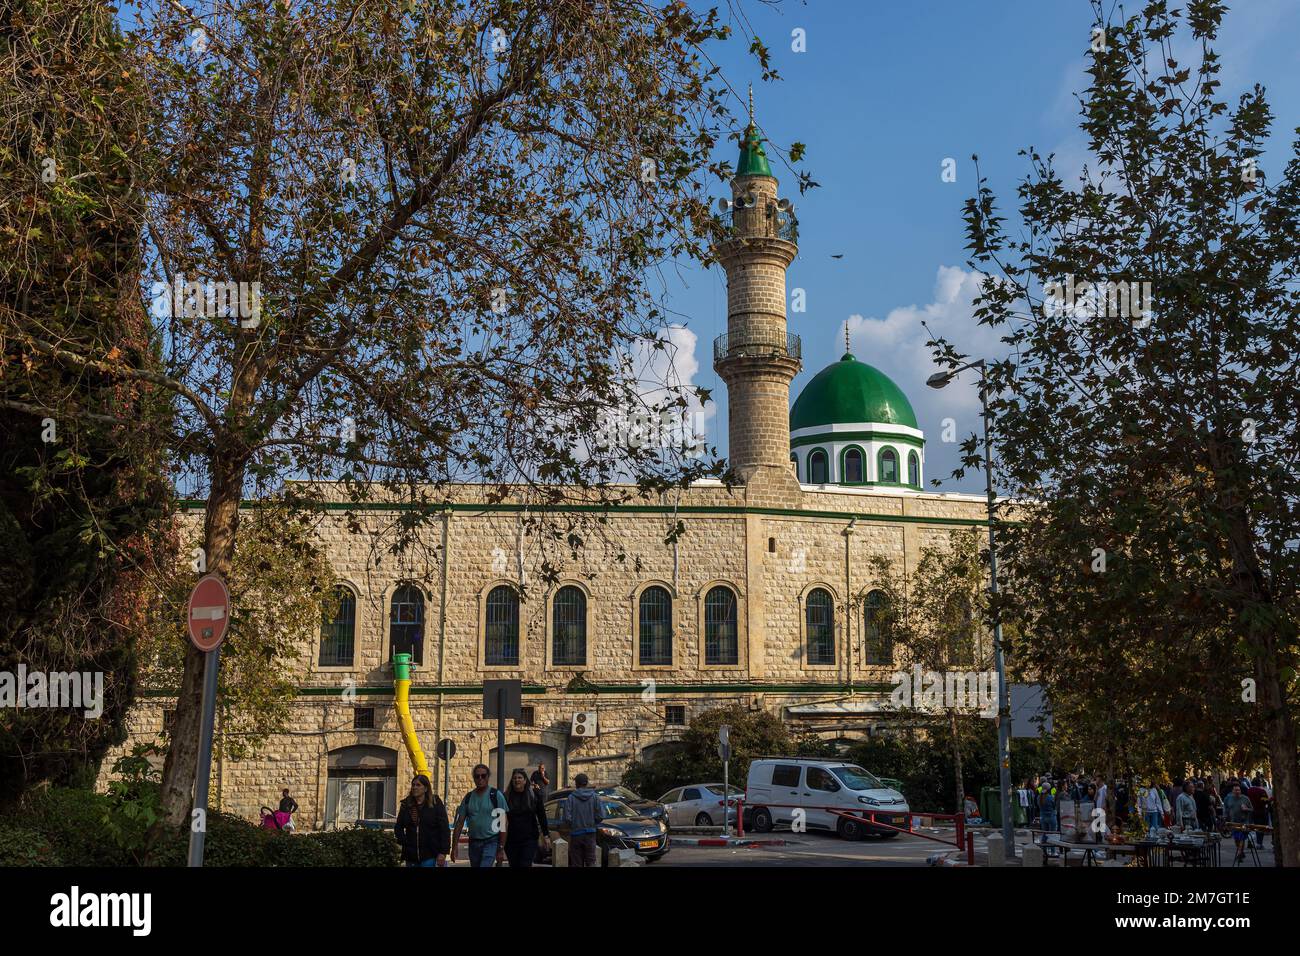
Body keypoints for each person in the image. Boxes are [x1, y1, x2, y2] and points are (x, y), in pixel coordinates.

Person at [452, 764, 508, 868]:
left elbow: (503, 822)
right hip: (474, 842)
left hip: (491, 841)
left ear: (488, 777)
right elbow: (459, 823)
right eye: (477, 776)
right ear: (474, 778)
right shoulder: (468, 797)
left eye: (483, 775)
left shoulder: (496, 795)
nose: (480, 779)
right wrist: (454, 846)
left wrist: (501, 848)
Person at [393, 774, 450, 868]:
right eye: (413, 785)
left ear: (426, 788)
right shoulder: (406, 805)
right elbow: (398, 827)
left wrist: (443, 852)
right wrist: (405, 842)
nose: (415, 787)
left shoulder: (435, 803)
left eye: (418, 785)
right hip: (411, 856)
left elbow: (444, 829)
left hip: (430, 855)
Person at [504, 767, 550, 867]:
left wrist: (546, 836)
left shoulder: (534, 795)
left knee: (525, 864)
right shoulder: (506, 797)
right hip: (511, 840)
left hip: (529, 839)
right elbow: (501, 820)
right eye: (514, 778)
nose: (517, 780)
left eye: (520, 778)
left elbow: (541, 815)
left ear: (525, 780)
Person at [560, 773, 605, 867]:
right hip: (590, 833)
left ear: (576, 784)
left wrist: (573, 825)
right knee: (591, 861)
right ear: (587, 783)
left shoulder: (571, 798)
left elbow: (566, 818)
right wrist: (592, 823)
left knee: (576, 862)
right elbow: (601, 815)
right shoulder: (595, 797)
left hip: (576, 834)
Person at [1223, 783, 1254, 864]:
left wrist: (1246, 809)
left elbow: (1252, 809)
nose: (1237, 791)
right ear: (1232, 791)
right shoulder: (1229, 799)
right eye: (1236, 790)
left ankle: (1239, 853)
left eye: (1239, 790)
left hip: (1244, 822)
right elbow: (1226, 808)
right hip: (1233, 822)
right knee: (1236, 838)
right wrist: (1225, 817)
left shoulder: (1245, 798)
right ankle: (1240, 851)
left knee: (1242, 838)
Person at [1246, 777, 1270, 849]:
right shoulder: (1261, 791)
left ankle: (1250, 841)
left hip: (1250, 811)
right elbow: (1265, 800)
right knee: (1260, 827)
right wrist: (1269, 800)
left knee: (1252, 826)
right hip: (1260, 811)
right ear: (1260, 783)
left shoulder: (1248, 790)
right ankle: (1259, 843)